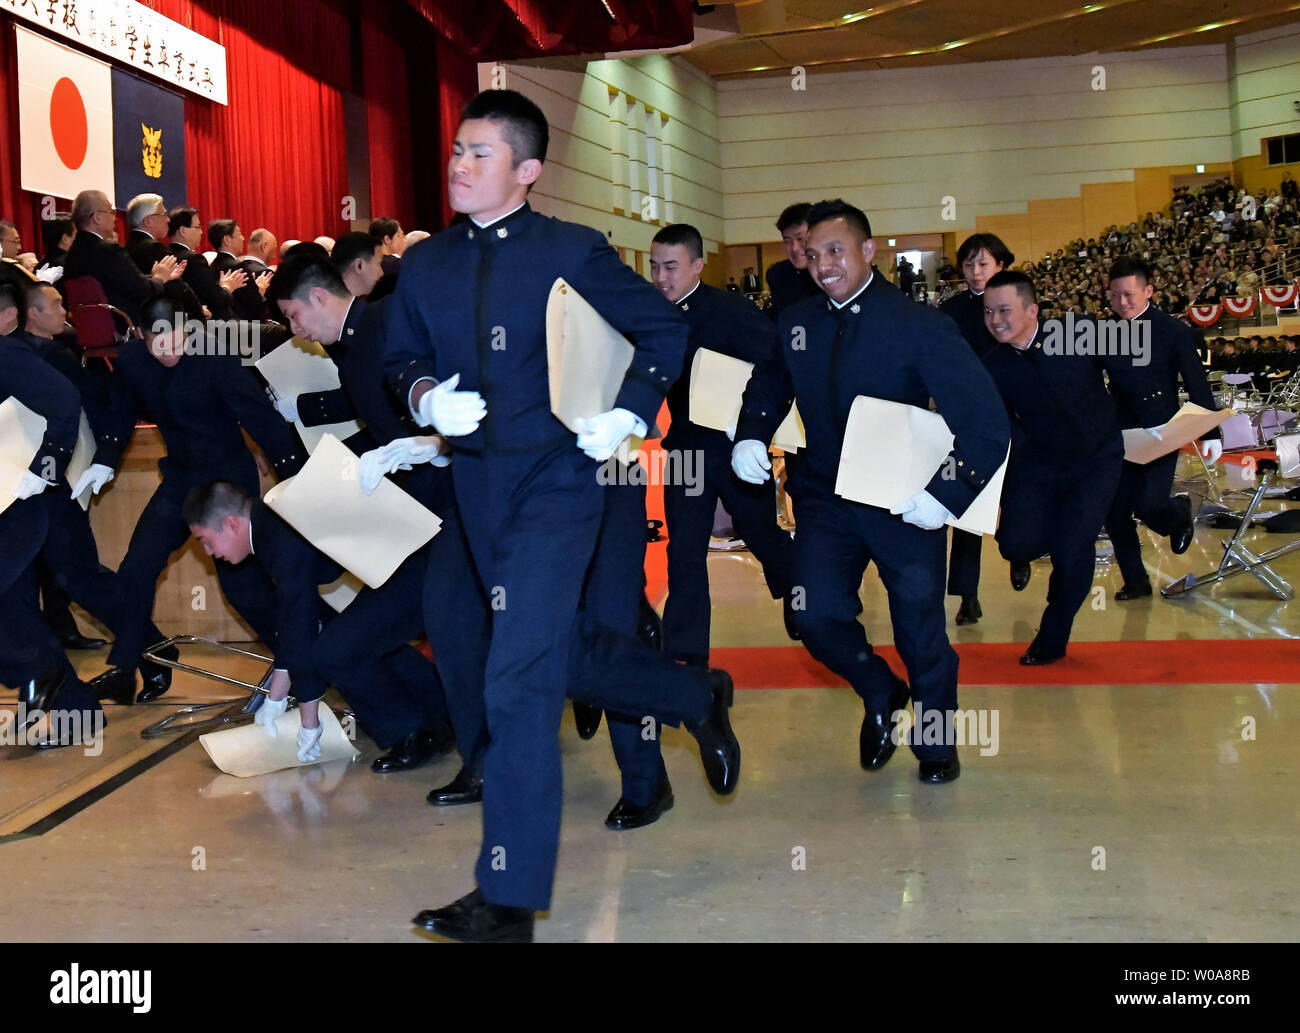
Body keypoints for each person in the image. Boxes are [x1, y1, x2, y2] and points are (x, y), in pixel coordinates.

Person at [380, 88, 737, 942]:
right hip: (476, 487)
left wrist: (630, 407)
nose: (460, 165)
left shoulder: (570, 249)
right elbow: (399, 356)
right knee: (556, 648)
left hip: (559, 481)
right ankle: (690, 691)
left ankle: (508, 897)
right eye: (457, 150)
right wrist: (424, 396)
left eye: (479, 153)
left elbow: (662, 332)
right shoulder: (425, 266)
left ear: (527, 171)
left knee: (518, 677)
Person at [732, 198, 1010, 785]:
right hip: (826, 500)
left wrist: (945, 495)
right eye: (813, 255)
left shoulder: (919, 326)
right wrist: (751, 433)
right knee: (812, 615)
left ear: (868, 250)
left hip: (904, 503)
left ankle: (936, 742)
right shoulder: (798, 322)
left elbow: (985, 424)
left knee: (920, 630)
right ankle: (880, 689)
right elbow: (768, 383)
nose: (824, 265)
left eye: (836, 251)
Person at [83, 296, 306, 705]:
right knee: (137, 567)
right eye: (158, 344)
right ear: (141, 336)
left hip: (226, 482)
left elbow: (258, 417)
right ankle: (130, 667)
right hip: (180, 478)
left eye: (177, 341)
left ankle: (303, 662)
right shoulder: (132, 359)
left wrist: (297, 472)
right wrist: (104, 461)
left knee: (243, 589)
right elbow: (119, 413)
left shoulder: (216, 358)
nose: (168, 352)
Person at [184, 480, 452, 767]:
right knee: (360, 641)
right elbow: (293, 622)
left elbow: (301, 625)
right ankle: (441, 717)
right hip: (406, 563)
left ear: (231, 524)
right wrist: (276, 697)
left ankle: (410, 733)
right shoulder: (269, 525)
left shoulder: (279, 534)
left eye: (205, 540)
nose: (209, 553)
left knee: (335, 651)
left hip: (424, 563)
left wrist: (308, 721)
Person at [650, 222, 796, 666]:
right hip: (686, 451)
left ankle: (799, 593)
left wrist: (753, 427)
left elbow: (774, 366)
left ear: (697, 265)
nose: (661, 278)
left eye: (671, 267)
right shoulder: (650, 314)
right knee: (685, 550)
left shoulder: (732, 312)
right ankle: (687, 656)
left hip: (735, 446)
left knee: (762, 533)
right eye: (655, 267)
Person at [981, 272, 1124, 663]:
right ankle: (1036, 549)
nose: (995, 320)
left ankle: (1052, 637)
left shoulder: (1079, 333)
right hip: (1039, 463)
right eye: (989, 311)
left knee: (1071, 546)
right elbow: (995, 419)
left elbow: (1127, 372)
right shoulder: (992, 365)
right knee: (1015, 543)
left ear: (1033, 310)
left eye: (1005, 310)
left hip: (1097, 458)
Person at [1102, 257, 1221, 600]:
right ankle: (1136, 581)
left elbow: (1197, 383)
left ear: (1148, 291)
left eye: (1129, 295)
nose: (1122, 303)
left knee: (1149, 504)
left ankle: (1177, 513)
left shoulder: (1174, 331)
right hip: (1120, 432)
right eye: (1115, 296)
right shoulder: (1102, 332)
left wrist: (1210, 431)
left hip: (1161, 430)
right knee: (1115, 510)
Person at [939, 233, 1013, 627]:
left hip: (1017, 413)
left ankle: (1019, 552)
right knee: (966, 500)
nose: (975, 272)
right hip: (969, 416)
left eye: (983, 264)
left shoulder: (1017, 302)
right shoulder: (950, 312)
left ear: (1000, 265)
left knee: (1018, 494)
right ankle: (968, 594)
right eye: (968, 265)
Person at [62, 190, 185, 323]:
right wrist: (160, 279)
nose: (115, 217)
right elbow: (141, 291)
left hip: (91, 330)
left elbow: (119, 284)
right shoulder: (108, 250)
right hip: (123, 327)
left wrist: (156, 277)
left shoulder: (71, 255)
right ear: (97, 217)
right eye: (111, 212)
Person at [764, 202, 819, 319]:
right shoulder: (778, 275)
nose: (794, 248)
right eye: (787, 241)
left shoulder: (833, 275)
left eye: (801, 239)